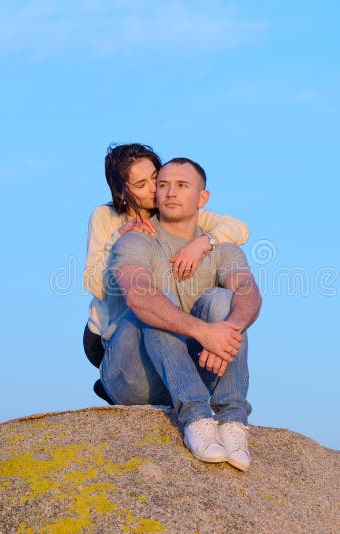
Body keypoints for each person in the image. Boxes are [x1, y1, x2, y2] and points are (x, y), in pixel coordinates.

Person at [99, 157, 262, 470]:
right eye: (163, 185)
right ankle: (197, 417)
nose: (170, 192)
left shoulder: (222, 248)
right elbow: (138, 296)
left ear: (202, 198)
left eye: (182, 186)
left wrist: (230, 327)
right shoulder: (134, 238)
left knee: (224, 301)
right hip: (133, 375)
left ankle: (231, 421)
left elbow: (248, 291)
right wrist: (204, 333)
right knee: (156, 302)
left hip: (190, 369)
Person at [82, 144, 249, 401]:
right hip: (108, 332)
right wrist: (117, 242)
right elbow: (94, 285)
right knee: (155, 304)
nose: (153, 189)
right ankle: (116, 385)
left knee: (186, 303)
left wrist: (203, 243)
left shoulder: (171, 208)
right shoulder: (106, 216)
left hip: (168, 329)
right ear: (122, 191)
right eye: (140, 184)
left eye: (154, 178)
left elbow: (239, 229)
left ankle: (226, 408)